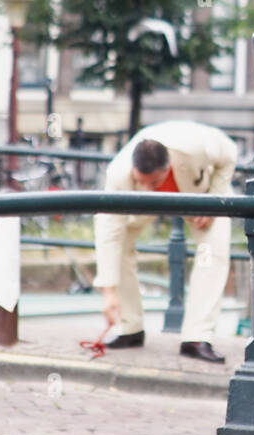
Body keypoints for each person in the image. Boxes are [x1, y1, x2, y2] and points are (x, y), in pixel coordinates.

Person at [94, 120, 239, 363]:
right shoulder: (118, 173)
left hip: (200, 197)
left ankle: (197, 337)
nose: (147, 186)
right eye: (140, 180)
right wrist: (109, 294)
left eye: (153, 182)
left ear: (169, 165)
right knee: (120, 245)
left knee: (212, 253)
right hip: (139, 203)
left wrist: (216, 197)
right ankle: (131, 329)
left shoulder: (199, 147)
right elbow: (109, 232)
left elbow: (230, 153)